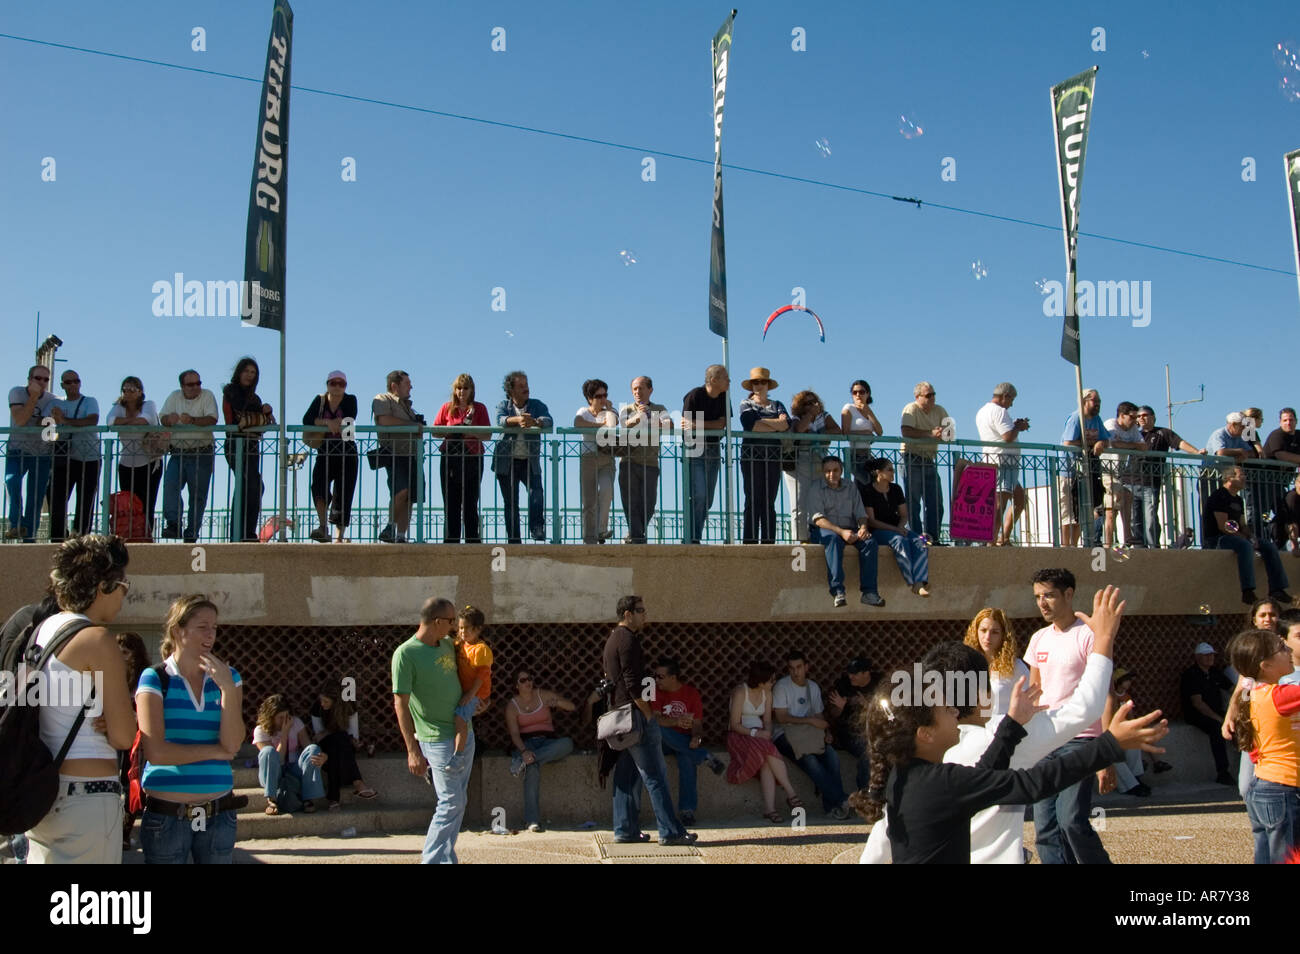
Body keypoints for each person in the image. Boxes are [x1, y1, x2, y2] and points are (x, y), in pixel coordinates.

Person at [854, 620, 1168, 863]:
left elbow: (984, 772)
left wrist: (1012, 725)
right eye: (942, 707)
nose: (950, 708)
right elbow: (1037, 778)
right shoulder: (946, 779)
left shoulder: (904, 774)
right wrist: (1103, 641)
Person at [23, 535, 136, 863]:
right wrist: (114, 718)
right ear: (104, 586)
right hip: (88, 797)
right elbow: (124, 735)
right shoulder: (97, 639)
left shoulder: (42, 631)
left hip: (43, 795)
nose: (124, 596)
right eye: (124, 585)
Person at [136, 595, 245, 864]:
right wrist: (213, 751)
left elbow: (231, 746)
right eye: (203, 627)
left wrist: (228, 691)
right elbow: (157, 752)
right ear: (178, 631)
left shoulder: (228, 678)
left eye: (215, 627)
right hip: (167, 818)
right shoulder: (155, 678)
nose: (211, 634)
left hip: (219, 815)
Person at [1026, 567, 1116, 864]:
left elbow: (1106, 692)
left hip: (1082, 739)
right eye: (1038, 596)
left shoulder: (1089, 635)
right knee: (1045, 829)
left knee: (1071, 821)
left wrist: (1105, 754)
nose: (1042, 603)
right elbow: (1035, 693)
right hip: (1045, 740)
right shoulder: (1039, 638)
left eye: (1049, 595)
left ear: (1069, 594)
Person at [603, 596, 695, 845]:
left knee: (626, 776)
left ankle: (625, 830)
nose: (646, 615)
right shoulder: (628, 640)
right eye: (641, 611)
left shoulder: (612, 639)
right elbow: (634, 685)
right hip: (634, 717)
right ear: (627, 614)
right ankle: (670, 832)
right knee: (654, 775)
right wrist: (648, 714)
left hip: (619, 718)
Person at [392, 596, 474, 864]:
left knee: (458, 802)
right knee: (450, 803)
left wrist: (475, 701)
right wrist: (412, 751)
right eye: (452, 621)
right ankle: (432, 859)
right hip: (437, 740)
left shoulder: (449, 645)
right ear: (437, 622)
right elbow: (400, 704)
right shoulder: (406, 654)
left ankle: (445, 859)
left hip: (464, 734)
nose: (455, 626)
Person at [1226, 628, 1300, 863]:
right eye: (1281, 649)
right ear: (1264, 665)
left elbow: (1256, 749)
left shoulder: (1252, 694)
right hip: (1284, 789)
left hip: (1263, 787)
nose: (1289, 651)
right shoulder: (1280, 695)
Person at [772, 650, 850, 819]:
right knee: (810, 761)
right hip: (785, 734)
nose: (795, 671)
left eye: (799, 667)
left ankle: (832, 808)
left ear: (806, 667)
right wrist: (809, 721)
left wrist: (826, 732)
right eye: (791, 668)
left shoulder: (812, 687)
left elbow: (819, 716)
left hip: (810, 734)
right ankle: (841, 800)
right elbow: (781, 717)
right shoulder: (781, 687)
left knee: (831, 757)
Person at [726, 660, 803, 824]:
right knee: (767, 749)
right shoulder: (741, 692)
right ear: (760, 681)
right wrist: (756, 733)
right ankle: (791, 792)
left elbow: (767, 720)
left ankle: (770, 809)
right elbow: (734, 724)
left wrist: (767, 731)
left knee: (766, 762)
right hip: (741, 734)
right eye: (771, 680)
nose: (773, 683)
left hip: (760, 735)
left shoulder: (767, 693)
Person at [1204, 464, 1292, 605]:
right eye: (1241, 475)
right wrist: (1245, 539)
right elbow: (1224, 526)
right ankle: (1248, 591)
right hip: (1218, 539)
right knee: (1245, 546)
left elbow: (1242, 524)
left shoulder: (1238, 499)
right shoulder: (1218, 496)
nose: (1245, 478)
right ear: (1229, 478)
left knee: (1268, 546)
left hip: (1236, 536)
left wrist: (1251, 537)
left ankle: (1277, 589)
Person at [651, 657, 724, 826]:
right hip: (662, 743)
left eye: (660, 677)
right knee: (658, 730)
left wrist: (696, 738)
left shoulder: (691, 693)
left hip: (684, 741)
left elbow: (697, 724)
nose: (656, 680)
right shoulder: (656, 692)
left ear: (673, 678)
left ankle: (687, 811)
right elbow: (656, 721)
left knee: (686, 758)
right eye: (655, 676)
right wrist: (676, 722)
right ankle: (703, 755)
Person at [504, 669, 576, 832]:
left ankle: (525, 762)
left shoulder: (542, 695)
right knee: (532, 768)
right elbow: (514, 734)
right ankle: (532, 821)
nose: (528, 682)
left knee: (567, 743)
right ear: (516, 685)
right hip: (526, 744)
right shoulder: (512, 706)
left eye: (529, 678)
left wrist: (557, 703)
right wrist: (524, 752)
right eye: (523, 680)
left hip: (547, 742)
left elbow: (571, 706)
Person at [807, 455, 882, 607]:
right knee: (833, 541)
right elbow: (818, 519)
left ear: (841, 470)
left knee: (870, 542)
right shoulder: (816, 488)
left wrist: (863, 528)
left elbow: (861, 513)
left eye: (835, 470)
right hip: (825, 529)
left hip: (851, 529)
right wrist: (841, 532)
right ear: (823, 472)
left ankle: (869, 592)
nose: (831, 474)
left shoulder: (851, 486)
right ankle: (838, 591)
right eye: (827, 471)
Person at [493, 371, 552, 543]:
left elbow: (548, 420)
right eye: (521, 386)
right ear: (511, 390)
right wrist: (518, 420)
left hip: (529, 461)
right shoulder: (503, 404)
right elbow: (500, 419)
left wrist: (535, 422)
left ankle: (536, 529)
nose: (526, 388)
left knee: (537, 493)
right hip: (506, 461)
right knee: (511, 502)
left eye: (526, 384)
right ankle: (514, 538)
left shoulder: (536, 405)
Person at [159, 370, 218, 543]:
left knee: (198, 495)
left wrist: (192, 420)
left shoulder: (207, 395)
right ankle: (173, 524)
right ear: (182, 386)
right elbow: (162, 417)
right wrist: (168, 419)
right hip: (178, 451)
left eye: (198, 383)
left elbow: (212, 419)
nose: (196, 387)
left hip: (202, 451)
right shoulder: (174, 396)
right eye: (191, 384)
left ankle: (192, 531)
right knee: (170, 484)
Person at [433, 373, 490, 543]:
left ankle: (473, 540)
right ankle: (451, 540)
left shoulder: (480, 408)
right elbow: (435, 430)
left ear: (471, 390)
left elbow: (487, 434)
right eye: (459, 388)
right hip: (450, 457)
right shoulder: (447, 408)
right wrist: (453, 430)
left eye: (465, 388)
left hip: (472, 456)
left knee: (471, 501)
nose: (462, 392)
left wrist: (468, 432)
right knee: (451, 502)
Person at [1132, 406, 1201, 549]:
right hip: (1130, 480)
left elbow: (1180, 443)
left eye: (1145, 415)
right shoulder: (1134, 435)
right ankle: (1139, 547)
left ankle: (1153, 547)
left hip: (1150, 482)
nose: (1141, 418)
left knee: (1150, 517)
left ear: (1153, 417)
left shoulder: (1163, 433)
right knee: (1134, 518)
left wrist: (1197, 452)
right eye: (1138, 416)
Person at [222, 358, 274, 542]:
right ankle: (241, 534)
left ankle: (245, 532)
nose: (249, 375)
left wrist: (265, 412)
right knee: (251, 484)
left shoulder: (255, 397)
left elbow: (261, 425)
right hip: (235, 445)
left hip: (252, 446)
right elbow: (237, 421)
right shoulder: (231, 390)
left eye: (253, 373)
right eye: (246, 371)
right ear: (239, 372)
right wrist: (258, 415)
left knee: (252, 486)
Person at [302, 371, 358, 543]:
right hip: (325, 450)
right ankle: (322, 526)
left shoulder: (350, 399)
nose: (337, 386)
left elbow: (349, 418)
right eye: (333, 383)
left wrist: (325, 422)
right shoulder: (319, 400)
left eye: (341, 383)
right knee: (318, 485)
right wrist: (328, 423)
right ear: (327, 384)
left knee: (344, 491)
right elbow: (307, 419)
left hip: (346, 451)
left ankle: (339, 536)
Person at [863, 460, 932, 598]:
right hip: (879, 531)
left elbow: (904, 515)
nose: (893, 473)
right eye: (889, 470)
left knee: (921, 541)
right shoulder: (868, 490)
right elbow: (872, 521)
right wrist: (895, 530)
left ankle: (920, 581)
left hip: (896, 528)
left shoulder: (896, 489)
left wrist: (900, 527)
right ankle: (911, 581)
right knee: (900, 541)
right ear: (878, 472)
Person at [107, 376, 164, 539]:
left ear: (140, 392)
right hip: (126, 464)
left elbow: (146, 420)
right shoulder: (118, 406)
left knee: (147, 504)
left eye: (132, 389)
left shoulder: (149, 405)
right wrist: (132, 421)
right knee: (128, 505)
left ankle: (146, 537)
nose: (128, 393)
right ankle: (129, 536)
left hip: (150, 463)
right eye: (125, 390)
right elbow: (110, 422)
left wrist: (123, 422)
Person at [47, 369, 101, 542]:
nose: (73, 385)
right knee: (55, 496)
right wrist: (54, 420)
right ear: (62, 385)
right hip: (64, 458)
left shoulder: (89, 401)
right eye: (68, 382)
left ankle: (80, 538)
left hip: (89, 458)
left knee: (86, 500)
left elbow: (92, 421)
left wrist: (65, 421)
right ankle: (58, 537)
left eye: (76, 381)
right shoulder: (55, 403)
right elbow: (45, 429)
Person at [618, 375, 672, 544]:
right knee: (630, 502)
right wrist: (638, 418)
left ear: (650, 390)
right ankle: (637, 536)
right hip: (628, 461)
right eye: (634, 388)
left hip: (650, 463)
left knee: (649, 504)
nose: (637, 392)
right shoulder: (626, 409)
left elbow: (669, 425)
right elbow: (623, 425)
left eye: (641, 388)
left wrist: (649, 418)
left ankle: (634, 533)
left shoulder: (659, 408)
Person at [974, 382, 1030, 546]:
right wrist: (1019, 427)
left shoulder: (983, 411)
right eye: (1011, 399)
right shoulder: (999, 411)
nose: (1011, 404)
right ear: (1005, 396)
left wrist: (1016, 426)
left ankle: (1003, 537)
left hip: (1001, 461)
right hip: (1003, 462)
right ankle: (991, 540)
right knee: (1000, 503)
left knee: (1019, 499)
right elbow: (1007, 436)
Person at [738, 367, 789, 545]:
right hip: (751, 456)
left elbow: (786, 425)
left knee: (769, 500)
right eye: (756, 382)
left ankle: (769, 541)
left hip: (773, 456)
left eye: (762, 382)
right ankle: (749, 541)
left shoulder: (778, 404)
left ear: (768, 385)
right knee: (752, 498)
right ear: (751, 386)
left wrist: (762, 422)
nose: (759, 385)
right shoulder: (745, 403)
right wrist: (775, 424)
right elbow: (750, 425)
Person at [253, 694, 327, 815]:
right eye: (280, 717)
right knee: (268, 751)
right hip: (273, 771)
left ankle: (308, 798)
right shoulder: (260, 730)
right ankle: (271, 799)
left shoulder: (296, 723)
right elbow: (279, 759)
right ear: (270, 717)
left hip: (293, 767)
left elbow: (308, 747)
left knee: (314, 749)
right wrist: (284, 734)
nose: (284, 720)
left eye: (287, 716)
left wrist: (322, 756)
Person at [6, 365, 56, 541]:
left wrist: (45, 422)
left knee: (35, 495)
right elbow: (20, 420)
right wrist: (34, 397)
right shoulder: (17, 393)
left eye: (46, 379)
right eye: (38, 378)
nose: (42, 382)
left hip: (41, 453)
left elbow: (50, 427)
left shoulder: (52, 400)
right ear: (29, 379)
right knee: (12, 481)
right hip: (16, 449)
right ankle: (16, 524)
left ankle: (29, 534)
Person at [681, 365, 730, 544]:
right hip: (695, 448)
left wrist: (698, 424)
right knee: (699, 495)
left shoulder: (725, 397)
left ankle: (695, 535)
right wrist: (710, 424)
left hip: (714, 450)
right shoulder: (695, 395)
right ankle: (692, 537)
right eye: (725, 377)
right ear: (713, 380)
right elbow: (686, 424)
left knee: (708, 498)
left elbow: (722, 425)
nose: (729, 380)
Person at [372, 370, 423, 544]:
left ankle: (401, 536)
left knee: (410, 496)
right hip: (394, 453)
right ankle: (390, 527)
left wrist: (417, 426)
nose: (411, 387)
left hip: (412, 454)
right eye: (407, 383)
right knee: (401, 491)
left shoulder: (408, 406)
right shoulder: (383, 399)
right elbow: (384, 420)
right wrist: (412, 425)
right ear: (395, 385)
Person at [783, 389, 839, 544]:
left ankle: (819, 535)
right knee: (799, 501)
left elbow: (838, 431)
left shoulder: (824, 416)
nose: (811, 405)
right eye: (807, 403)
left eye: (814, 402)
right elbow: (799, 429)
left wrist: (819, 434)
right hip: (799, 460)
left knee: (819, 500)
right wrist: (809, 416)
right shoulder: (796, 417)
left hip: (819, 460)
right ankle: (801, 538)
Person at [309, 684, 377, 809]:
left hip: (344, 744)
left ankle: (333, 799)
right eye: (321, 700)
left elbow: (353, 734)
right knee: (339, 739)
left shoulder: (348, 707)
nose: (322, 704)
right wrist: (332, 731)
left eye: (326, 701)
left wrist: (354, 741)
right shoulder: (317, 708)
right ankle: (358, 782)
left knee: (339, 743)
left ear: (336, 702)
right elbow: (319, 736)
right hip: (328, 744)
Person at [1058, 389, 1110, 547]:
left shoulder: (1097, 419)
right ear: (1084, 401)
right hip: (1068, 471)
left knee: (1080, 511)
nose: (1098, 404)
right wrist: (1089, 443)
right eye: (1095, 401)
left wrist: (1101, 443)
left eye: (1099, 401)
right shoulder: (1076, 418)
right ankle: (1066, 546)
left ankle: (1075, 544)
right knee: (1068, 512)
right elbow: (1068, 442)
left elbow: (1106, 438)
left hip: (1085, 472)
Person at [899, 381, 949, 543]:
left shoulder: (939, 410)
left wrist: (944, 434)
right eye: (928, 395)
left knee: (935, 501)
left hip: (929, 459)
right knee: (913, 502)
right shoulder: (911, 409)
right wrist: (930, 434)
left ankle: (933, 538)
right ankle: (916, 538)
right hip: (911, 457)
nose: (932, 398)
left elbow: (950, 433)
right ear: (917, 397)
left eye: (933, 394)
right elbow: (906, 431)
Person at [1180, 641, 1235, 786]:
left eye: (1212, 655)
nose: (1210, 658)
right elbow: (1198, 704)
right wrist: (1219, 719)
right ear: (1197, 657)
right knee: (1217, 730)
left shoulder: (1215, 672)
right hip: (1197, 715)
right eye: (1206, 655)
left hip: (1217, 711)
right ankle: (1223, 772)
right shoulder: (1191, 675)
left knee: (1238, 723)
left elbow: (1233, 689)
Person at [116, 631, 151, 849]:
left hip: (137, 739)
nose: (121, 656)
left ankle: (124, 832)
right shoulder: (112, 672)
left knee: (133, 785)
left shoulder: (144, 677)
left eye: (126, 652)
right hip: (115, 736)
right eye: (118, 651)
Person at [449, 604, 493, 771]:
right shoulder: (460, 645)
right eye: (460, 628)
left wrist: (470, 695)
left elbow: (482, 676)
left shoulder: (481, 650)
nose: (462, 632)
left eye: (467, 628)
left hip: (477, 694)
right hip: (466, 693)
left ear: (478, 629)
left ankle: (458, 756)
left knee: (460, 719)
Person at [963, 607, 1028, 718]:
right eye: (983, 630)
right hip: (974, 730)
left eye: (995, 632)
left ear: (1003, 635)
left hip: (1004, 729)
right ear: (975, 632)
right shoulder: (966, 663)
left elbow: (1028, 704)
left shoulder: (1016, 666)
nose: (987, 637)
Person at [574, 378, 618, 543]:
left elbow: (612, 426)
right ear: (590, 398)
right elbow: (577, 423)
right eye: (599, 396)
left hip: (607, 458)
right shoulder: (583, 411)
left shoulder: (610, 412)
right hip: (589, 458)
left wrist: (609, 410)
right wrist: (600, 427)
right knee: (589, 500)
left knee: (607, 491)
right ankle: (589, 537)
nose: (603, 399)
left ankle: (601, 529)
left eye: (605, 395)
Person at [829, 655, 877, 789]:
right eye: (849, 672)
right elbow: (833, 713)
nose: (851, 676)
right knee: (868, 751)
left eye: (855, 673)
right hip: (850, 733)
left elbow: (886, 714)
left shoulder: (878, 684)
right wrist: (840, 707)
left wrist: (867, 705)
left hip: (873, 730)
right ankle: (865, 795)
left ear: (866, 673)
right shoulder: (843, 685)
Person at [1101, 401, 1144, 548]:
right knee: (1113, 503)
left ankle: (1127, 537)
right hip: (1105, 471)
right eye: (1132, 417)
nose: (1135, 421)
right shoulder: (1111, 424)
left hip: (1118, 473)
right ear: (1121, 415)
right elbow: (1114, 444)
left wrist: (1127, 445)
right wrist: (1133, 446)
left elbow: (1143, 447)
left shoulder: (1133, 429)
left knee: (1127, 496)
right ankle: (1108, 543)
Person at [1109, 668, 1152, 796]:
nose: (1129, 683)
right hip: (1108, 732)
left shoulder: (1127, 697)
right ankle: (1130, 786)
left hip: (1123, 730)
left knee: (1134, 746)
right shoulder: (1109, 697)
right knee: (1114, 756)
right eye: (1126, 680)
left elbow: (1131, 717)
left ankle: (1135, 780)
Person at [840, 379, 884, 501]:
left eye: (861, 392)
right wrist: (865, 433)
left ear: (868, 393)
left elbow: (879, 431)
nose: (858, 395)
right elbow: (845, 432)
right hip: (855, 456)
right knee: (870, 486)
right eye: (855, 392)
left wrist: (868, 412)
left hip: (868, 456)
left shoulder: (868, 410)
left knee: (864, 492)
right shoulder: (848, 408)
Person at [1263, 408, 1300, 548]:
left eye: (1291, 420)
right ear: (1280, 422)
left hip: (1282, 482)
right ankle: (1266, 542)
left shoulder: (1298, 435)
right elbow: (1281, 455)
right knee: (1268, 513)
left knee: (1285, 512)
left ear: (1296, 421)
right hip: (1264, 481)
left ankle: (1281, 544)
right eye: (1285, 420)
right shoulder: (1276, 435)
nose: (1288, 423)